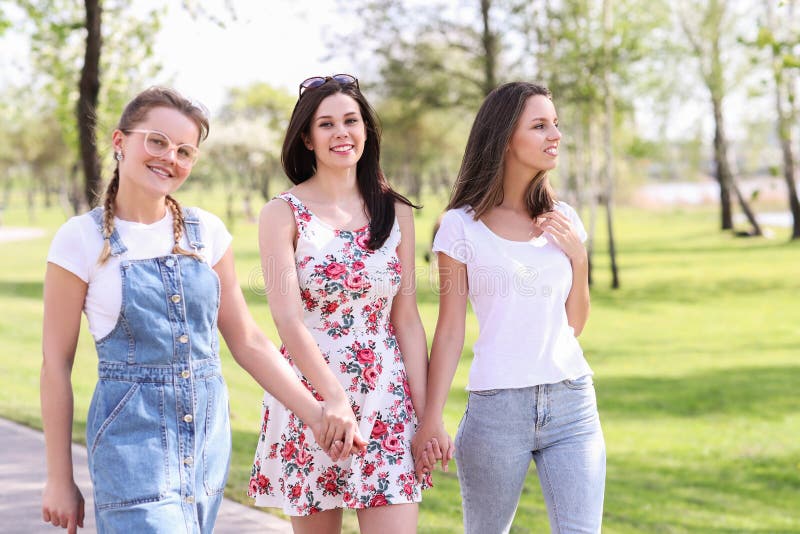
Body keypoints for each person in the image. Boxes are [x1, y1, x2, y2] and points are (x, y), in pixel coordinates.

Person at [40, 86, 356, 534]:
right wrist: (59, 478)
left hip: (207, 443)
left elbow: (247, 340)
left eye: (184, 150)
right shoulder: (81, 240)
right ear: (119, 142)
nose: (170, 157)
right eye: (157, 141)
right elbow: (56, 364)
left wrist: (317, 413)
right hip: (132, 447)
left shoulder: (206, 232)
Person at [412, 82, 606, 533]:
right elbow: (450, 331)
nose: (554, 134)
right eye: (539, 125)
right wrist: (431, 418)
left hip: (572, 401)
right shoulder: (460, 227)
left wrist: (579, 257)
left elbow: (573, 324)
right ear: (503, 137)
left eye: (555, 124)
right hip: (497, 410)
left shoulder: (565, 220)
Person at [247, 74, 433, 534]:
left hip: (386, 399)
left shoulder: (397, 212)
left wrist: (428, 418)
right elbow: (287, 320)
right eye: (326, 124)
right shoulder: (281, 213)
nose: (341, 133)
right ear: (307, 138)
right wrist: (330, 400)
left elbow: (407, 321)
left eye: (351, 121)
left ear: (366, 131)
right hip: (310, 401)